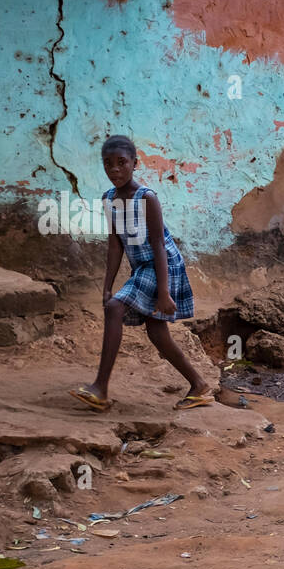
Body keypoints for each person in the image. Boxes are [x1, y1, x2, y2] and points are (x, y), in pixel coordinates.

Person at [68, 135, 212, 413]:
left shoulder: (146, 198)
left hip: (163, 265)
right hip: (142, 268)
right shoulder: (108, 199)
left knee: (114, 309)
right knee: (157, 333)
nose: (115, 170)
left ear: (135, 163)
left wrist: (164, 292)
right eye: (108, 164)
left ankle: (100, 388)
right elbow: (115, 245)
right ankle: (199, 386)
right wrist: (106, 285)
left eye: (122, 163)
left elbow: (158, 245)